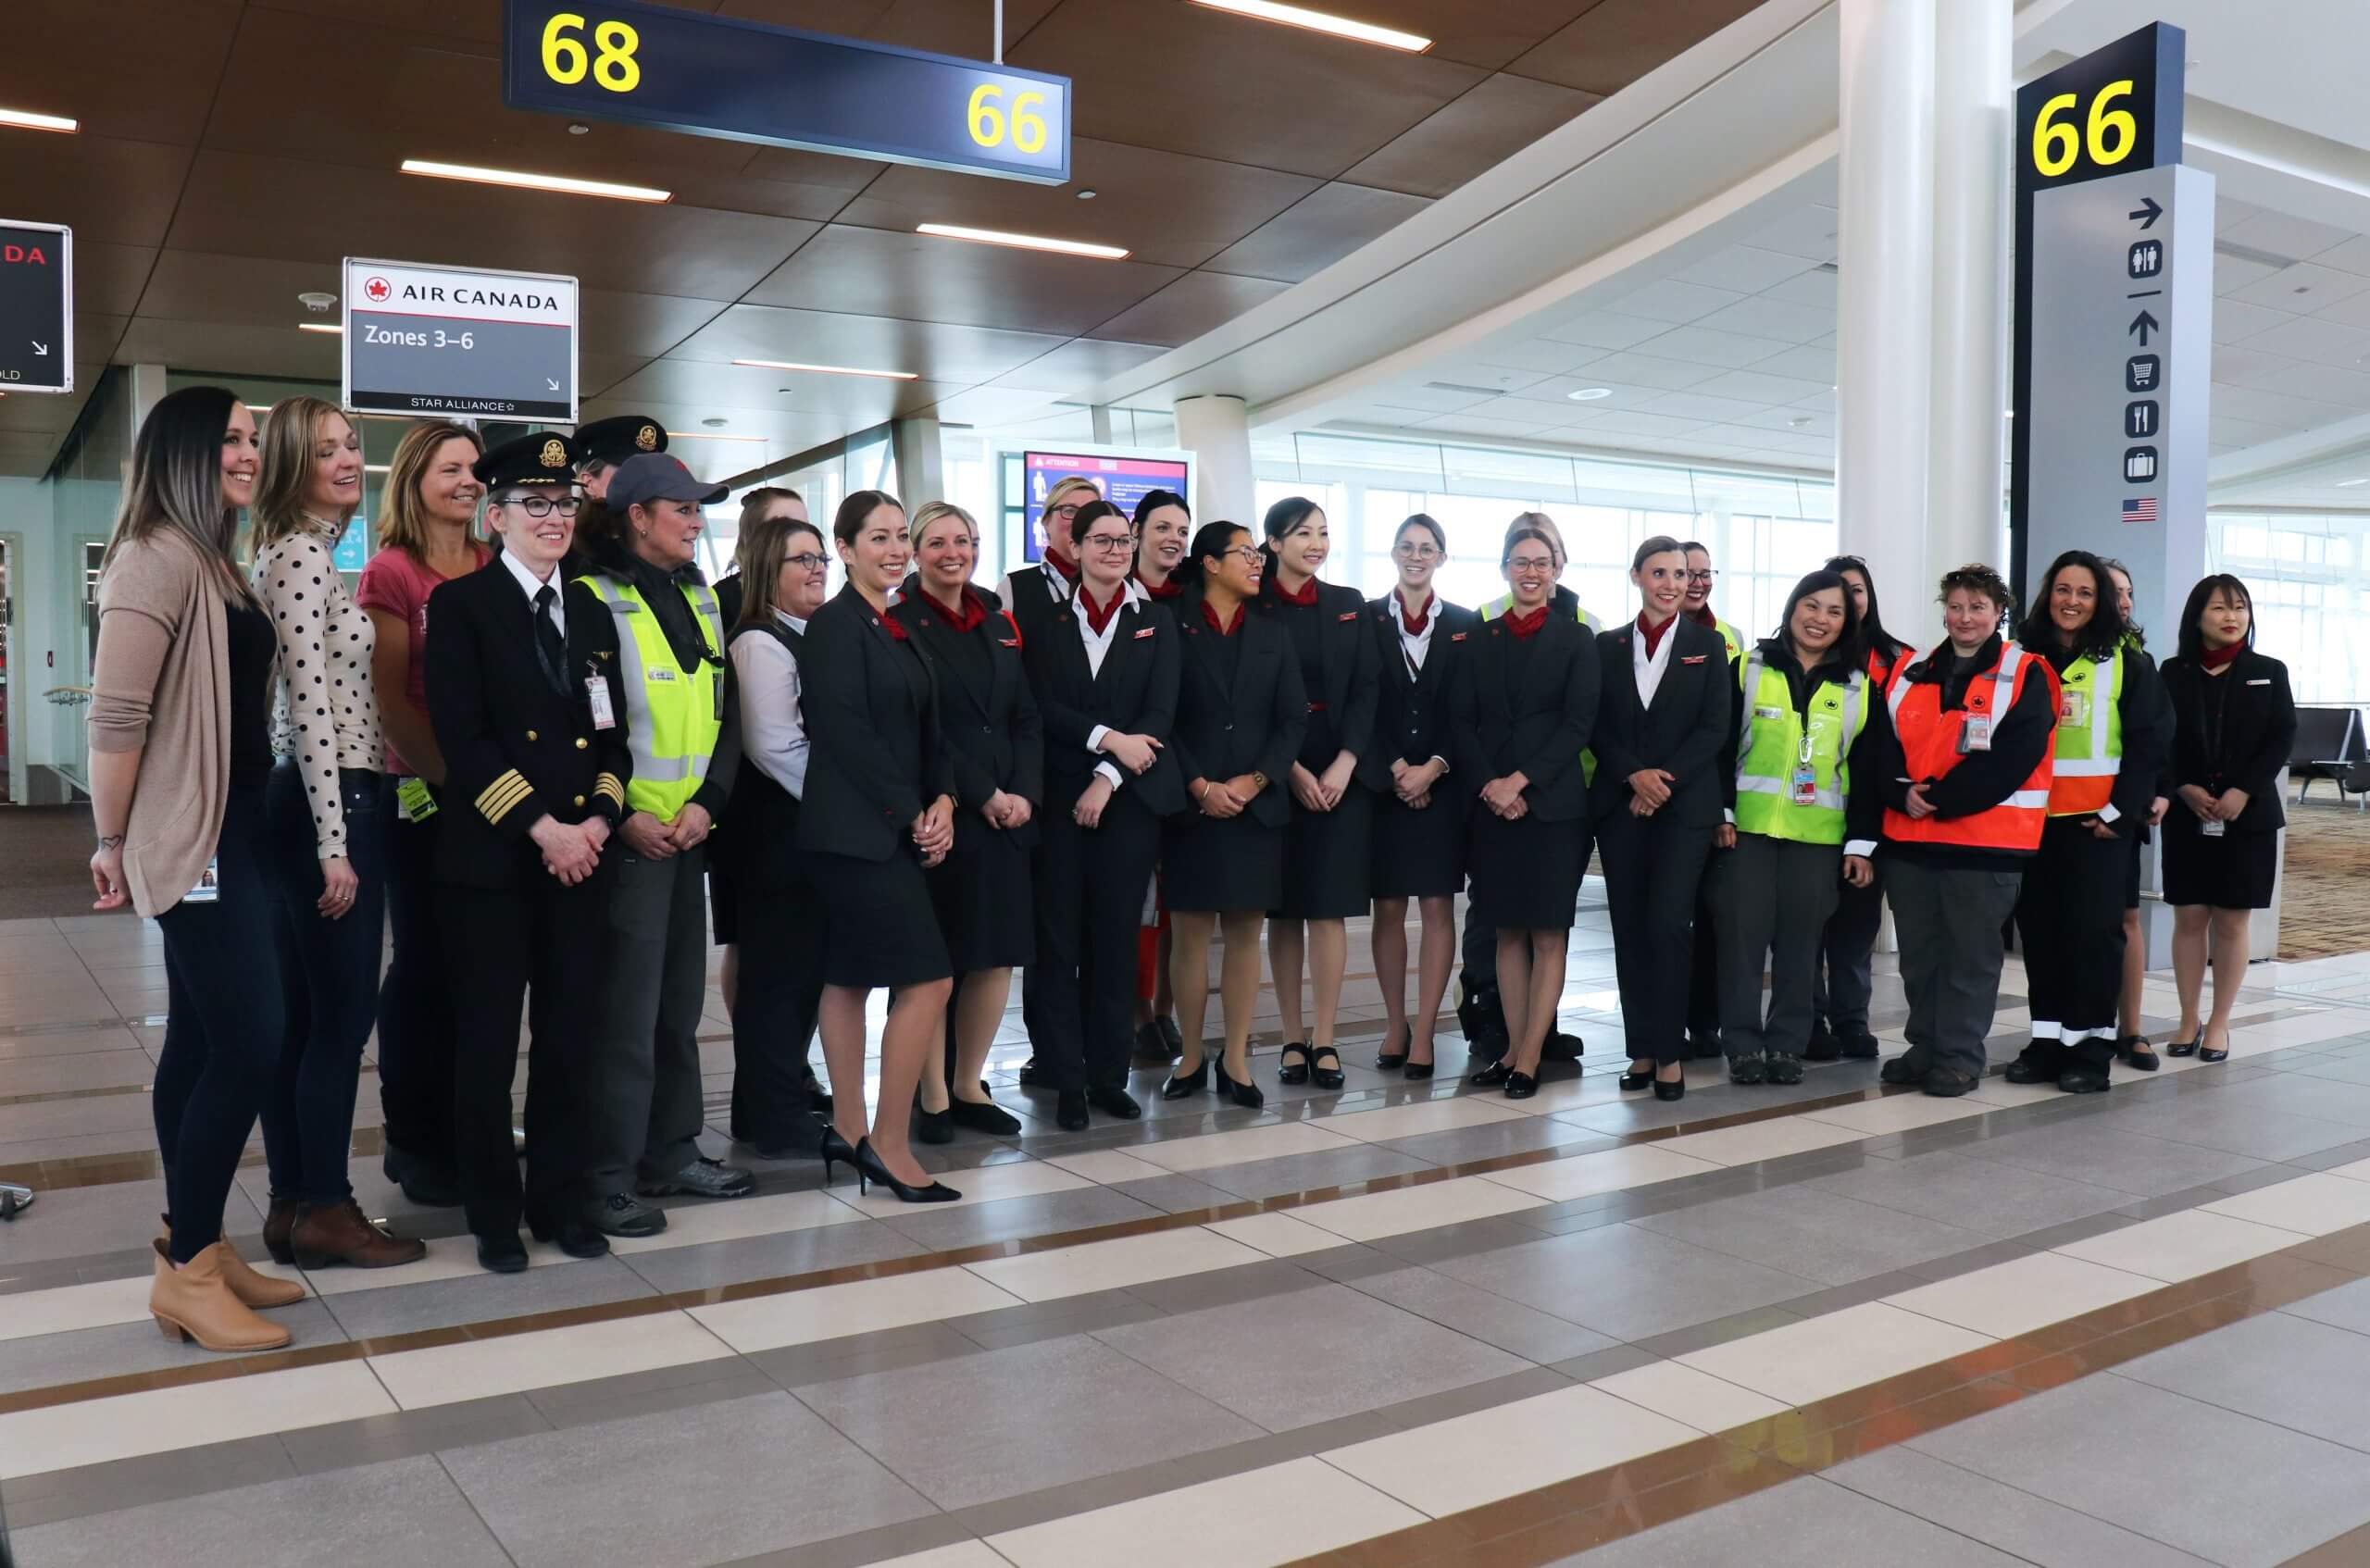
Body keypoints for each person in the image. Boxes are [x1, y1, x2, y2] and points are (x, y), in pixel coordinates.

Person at [91, 386, 307, 1350]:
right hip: (199, 838)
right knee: (251, 1041)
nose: (247, 453)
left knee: (200, 1038)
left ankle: (198, 1245)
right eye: (229, 439)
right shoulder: (153, 556)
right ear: (181, 450)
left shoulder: (212, 559)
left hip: (246, 832)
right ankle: (186, 1273)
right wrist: (109, 839)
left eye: (251, 440)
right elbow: (116, 715)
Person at [423, 431, 628, 1271]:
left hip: (582, 858)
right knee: (487, 1043)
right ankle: (494, 1215)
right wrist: (546, 829)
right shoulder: (463, 608)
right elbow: (463, 743)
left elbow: (615, 739)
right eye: (534, 505)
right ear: (495, 514)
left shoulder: (590, 608)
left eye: (565, 503)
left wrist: (598, 825)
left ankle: (562, 1200)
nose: (553, 518)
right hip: (497, 864)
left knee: (571, 1037)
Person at [250, 397, 421, 1269]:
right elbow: (308, 711)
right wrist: (334, 842)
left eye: (353, 446)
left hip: (326, 798)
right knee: (338, 1019)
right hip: (336, 796)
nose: (349, 461)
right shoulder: (303, 558)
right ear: (292, 464)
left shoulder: (300, 554)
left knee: (308, 1018)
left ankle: (292, 1203)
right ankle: (325, 1203)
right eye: (326, 451)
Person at [574, 454, 751, 1230]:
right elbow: (581, 731)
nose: (696, 520)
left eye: (699, 509)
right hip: (626, 841)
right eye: (682, 508)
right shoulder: (590, 599)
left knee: (677, 1008)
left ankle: (672, 1152)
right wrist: (621, 818)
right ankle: (605, 1171)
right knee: (623, 1017)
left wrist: (710, 804)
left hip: (689, 837)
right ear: (638, 517)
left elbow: (725, 715)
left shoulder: (701, 597)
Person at [799, 491, 959, 1200]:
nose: (895, 551)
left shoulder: (898, 624)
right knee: (930, 978)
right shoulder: (834, 626)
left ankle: (848, 1127)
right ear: (844, 548)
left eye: (901, 537)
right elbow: (845, 735)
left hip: (893, 826)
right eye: (878, 539)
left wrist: (947, 800)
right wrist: (911, 813)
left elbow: (934, 728)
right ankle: (889, 1144)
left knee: (848, 977)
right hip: (856, 835)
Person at [1021, 498, 1185, 1128]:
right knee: (1058, 941)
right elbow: (1041, 704)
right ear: (1077, 547)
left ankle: (1107, 1074)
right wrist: (1104, 742)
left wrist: (1110, 775)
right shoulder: (1049, 620)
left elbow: (1159, 715)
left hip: (1126, 806)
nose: (1114, 551)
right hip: (1060, 801)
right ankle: (1065, 1078)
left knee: (1117, 941)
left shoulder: (1156, 623)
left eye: (1123, 541)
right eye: (1101, 541)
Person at [356, 420, 486, 1207]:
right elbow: (391, 703)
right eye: (451, 468)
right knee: (425, 967)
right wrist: (452, 781)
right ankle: (414, 1139)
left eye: (475, 469)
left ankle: (465, 1125)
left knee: (479, 971)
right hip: (421, 793)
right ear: (413, 478)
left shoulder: (490, 563)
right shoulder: (391, 573)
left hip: (489, 796)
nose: (469, 481)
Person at [1866, 565, 2057, 1098]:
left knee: (1969, 959)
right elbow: (1879, 746)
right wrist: (1900, 790)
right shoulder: (1909, 670)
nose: (1965, 617)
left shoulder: (2027, 673)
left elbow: (2015, 758)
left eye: (1977, 607)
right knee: (1921, 955)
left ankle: (1958, 1057)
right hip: (1909, 840)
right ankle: (1924, 1045)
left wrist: (1939, 800)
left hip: (1986, 844)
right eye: (1955, 606)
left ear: (2000, 613)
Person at [892, 501, 1038, 1142]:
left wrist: (1025, 793)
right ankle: (930, 1097)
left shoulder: (998, 621)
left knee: (994, 955)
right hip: (943, 809)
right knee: (934, 958)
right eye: (939, 542)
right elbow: (924, 728)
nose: (955, 552)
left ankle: (968, 1082)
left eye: (966, 541)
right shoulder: (898, 622)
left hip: (1008, 814)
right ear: (916, 552)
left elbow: (1024, 716)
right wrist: (982, 794)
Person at [2003, 550, 2168, 1095]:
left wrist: (2121, 812)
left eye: (2084, 593)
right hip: (2034, 824)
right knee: (2042, 936)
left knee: (2093, 940)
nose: (2071, 601)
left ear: (2100, 602)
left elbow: (2149, 743)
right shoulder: (2022, 656)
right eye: (2062, 590)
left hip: (2098, 828)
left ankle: (2092, 1047)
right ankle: (2047, 1042)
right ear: (2047, 595)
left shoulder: (2128, 659)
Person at [1711, 571, 1882, 1086]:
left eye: (1834, 612)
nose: (1820, 619)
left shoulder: (1858, 687)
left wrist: (1860, 844)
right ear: (1791, 609)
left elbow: (1870, 774)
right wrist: (1722, 815)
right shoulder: (1747, 668)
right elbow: (1717, 749)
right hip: (1748, 833)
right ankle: (1741, 1044)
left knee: (1801, 946)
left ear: (1847, 623)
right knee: (1741, 942)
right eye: (1811, 606)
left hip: (1818, 838)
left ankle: (1786, 1044)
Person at [1453, 525, 1600, 1099]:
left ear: (1558, 569)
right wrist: (1492, 784)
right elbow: (1462, 721)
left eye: (1542, 563)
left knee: (1548, 933)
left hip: (1553, 809)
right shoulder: (1478, 637)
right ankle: (1512, 1048)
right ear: (1505, 569)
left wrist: (1521, 780)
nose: (1531, 572)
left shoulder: (1577, 639)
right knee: (1505, 932)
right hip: (1492, 807)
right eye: (1521, 562)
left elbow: (1578, 725)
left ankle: (1533, 1054)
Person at [1162, 520, 1304, 1108]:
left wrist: (1255, 779)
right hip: (1192, 807)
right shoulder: (1170, 626)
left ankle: (1238, 1058)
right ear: (1211, 564)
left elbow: (1293, 718)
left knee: (1246, 932)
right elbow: (1160, 716)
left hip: (1255, 806)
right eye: (1245, 554)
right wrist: (1198, 783)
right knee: (1190, 934)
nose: (1257, 562)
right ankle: (1192, 1055)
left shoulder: (1273, 633)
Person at [1591, 536, 1731, 1102]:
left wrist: (1661, 782)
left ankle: (1670, 1051)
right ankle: (1642, 1049)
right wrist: (1633, 776)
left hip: (1683, 809)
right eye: (1660, 573)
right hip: (1623, 806)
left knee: (1670, 926)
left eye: (1682, 574)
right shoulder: (1605, 646)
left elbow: (1714, 728)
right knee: (1629, 928)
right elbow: (1594, 723)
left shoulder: (1708, 645)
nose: (1673, 583)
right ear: (1637, 577)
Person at [712, 488, 830, 1136]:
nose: (816, 569)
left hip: (806, 834)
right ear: (767, 571)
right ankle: (770, 1115)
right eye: (801, 560)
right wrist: (848, 803)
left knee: (800, 976)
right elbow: (775, 747)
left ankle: (782, 1096)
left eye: (820, 559)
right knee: (776, 982)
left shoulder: (806, 632)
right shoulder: (759, 641)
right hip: (774, 839)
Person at [1259, 495, 1382, 1092]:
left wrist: (1344, 763)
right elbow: (1249, 700)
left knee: (1328, 908)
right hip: (1276, 776)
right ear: (1274, 542)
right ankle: (1290, 1035)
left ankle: (1327, 1036)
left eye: (1324, 533)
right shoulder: (1254, 605)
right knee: (1283, 911)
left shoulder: (1347, 604)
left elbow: (1367, 688)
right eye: (1302, 533)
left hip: (1341, 776)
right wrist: (1291, 771)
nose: (1316, 543)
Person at [2161, 574, 2295, 1063]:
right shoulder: (2172, 671)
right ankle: (2186, 1017)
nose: (2232, 616)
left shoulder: (2269, 671)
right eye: (2219, 608)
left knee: (2233, 922)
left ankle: (2220, 1022)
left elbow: (2281, 739)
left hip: (2248, 815)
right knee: (2190, 917)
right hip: (2189, 814)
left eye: (2239, 607)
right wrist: (2183, 786)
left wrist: (2243, 790)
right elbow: (2161, 739)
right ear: (2198, 616)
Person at [999, 473, 1101, 1089]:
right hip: (1045, 776)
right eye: (1067, 512)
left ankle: (1098, 1048)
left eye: (1091, 513)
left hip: (1114, 780)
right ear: (1046, 524)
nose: (1079, 522)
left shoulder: (1125, 587)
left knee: (1105, 928)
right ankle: (1052, 1052)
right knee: (1052, 927)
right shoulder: (1018, 588)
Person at [1368, 514, 1475, 1077]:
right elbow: (1359, 702)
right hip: (1384, 790)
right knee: (1387, 908)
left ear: (1441, 557)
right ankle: (1393, 1024)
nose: (1417, 556)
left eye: (1427, 548)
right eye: (1407, 547)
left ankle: (1426, 1032)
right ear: (1393, 553)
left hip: (1442, 789)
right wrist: (1394, 769)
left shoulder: (1465, 624)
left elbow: (1468, 712)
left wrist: (1432, 767)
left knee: (1436, 907)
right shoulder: (1364, 619)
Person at [1807, 554, 1913, 1063]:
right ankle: (1810, 1019)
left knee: (1854, 930)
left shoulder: (1902, 661)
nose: (1847, 601)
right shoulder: (1802, 655)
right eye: (1835, 593)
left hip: (1872, 818)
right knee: (1805, 929)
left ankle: (1852, 1020)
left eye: (1856, 591)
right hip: (1806, 818)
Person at [2102, 557, 2174, 1071]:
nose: (2124, 601)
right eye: (2113, 592)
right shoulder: (2050, 657)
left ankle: (2131, 1029)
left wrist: (2158, 791)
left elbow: (2155, 739)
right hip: (2062, 814)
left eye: (2128, 592)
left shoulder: (2139, 660)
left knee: (2126, 915)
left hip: (2121, 811)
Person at [1129, 489, 1193, 1064]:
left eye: (1181, 529)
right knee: (1139, 899)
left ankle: (1166, 1010)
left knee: (1176, 898)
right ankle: (1138, 1010)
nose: (1173, 538)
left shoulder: (1192, 595)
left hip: (1186, 767)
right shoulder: (1118, 595)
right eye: (1163, 528)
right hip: (1129, 762)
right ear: (1137, 530)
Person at [1678, 541, 1746, 1063]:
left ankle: (1704, 1021)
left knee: (1711, 917)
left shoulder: (1730, 640)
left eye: (1705, 573)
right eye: (1687, 573)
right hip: (1656, 798)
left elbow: (1724, 733)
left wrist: (1724, 808)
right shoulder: (1633, 637)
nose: (1697, 582)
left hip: (1709, 801)